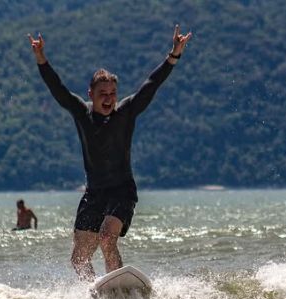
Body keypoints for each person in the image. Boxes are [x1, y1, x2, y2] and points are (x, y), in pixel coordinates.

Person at [28, 25, 192, 280]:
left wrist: (174, 55)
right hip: (94, 193)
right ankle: (97, 297)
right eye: (102, 94)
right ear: (90, 94)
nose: (108, 98)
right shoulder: (81, 114)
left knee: (107, 238)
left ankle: (119, 287)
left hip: (122, 190)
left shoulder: (126, 112)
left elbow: (151, 85)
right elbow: (57, 88)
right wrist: (41, 60)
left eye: (112, 93)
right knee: (79, 259)